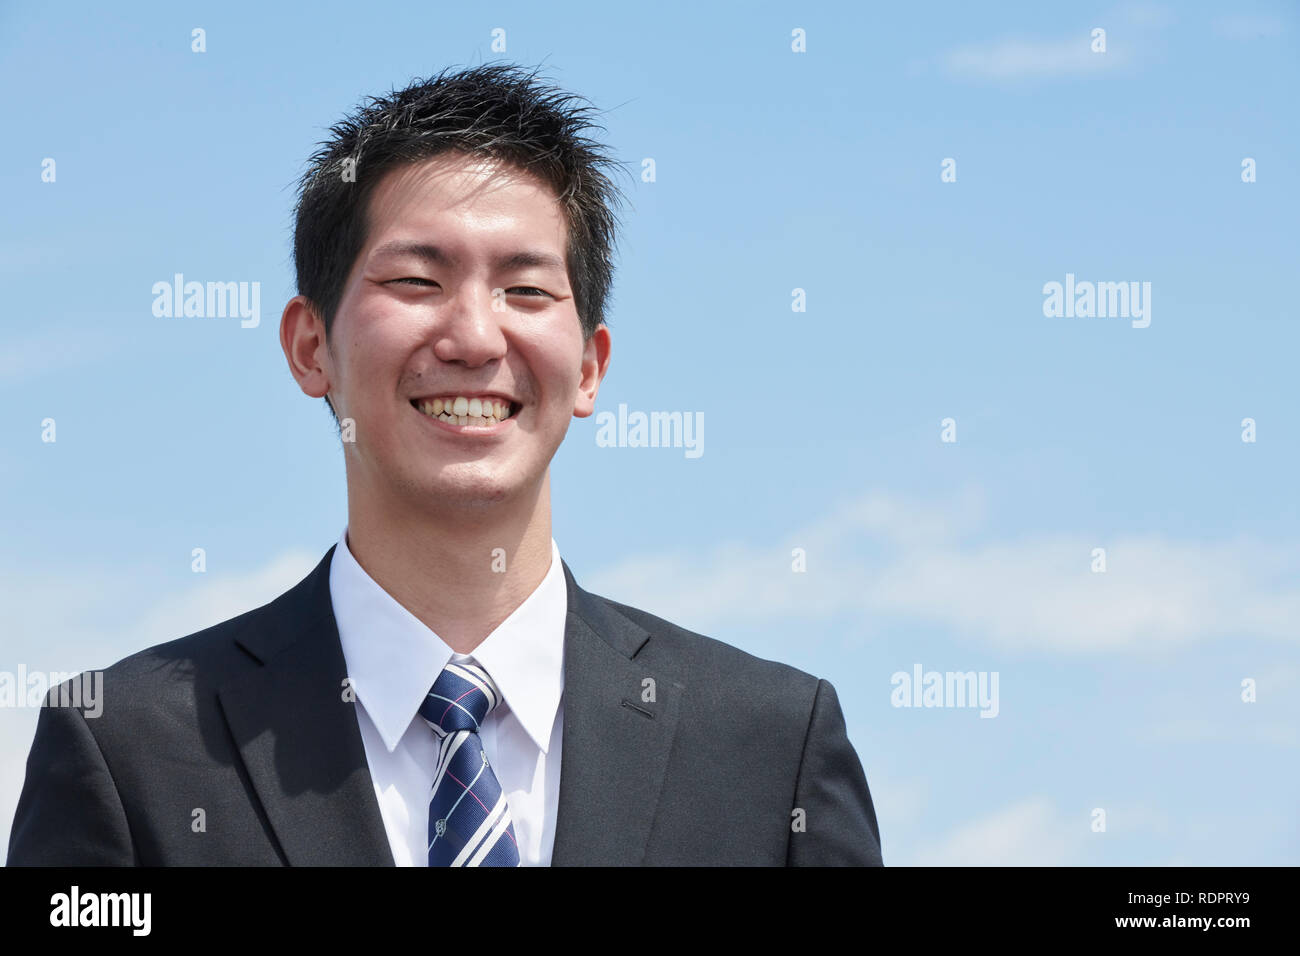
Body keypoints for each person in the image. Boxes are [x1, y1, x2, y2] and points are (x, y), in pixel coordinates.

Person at [7, 63, 883, 866]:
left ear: (589, 368)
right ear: (311, 346)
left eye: (528, 290)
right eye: (417, 282)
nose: (472, 337)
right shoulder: (129, 750)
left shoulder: (769, 750)